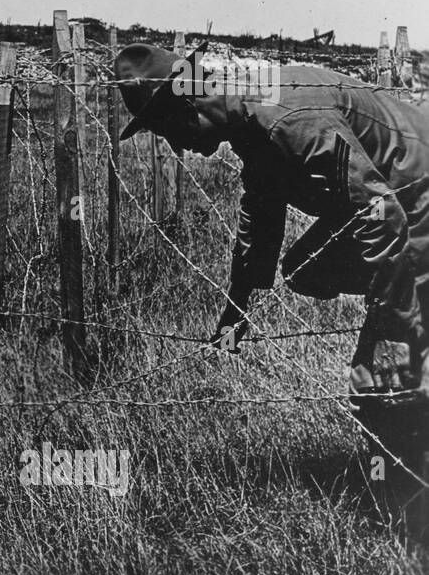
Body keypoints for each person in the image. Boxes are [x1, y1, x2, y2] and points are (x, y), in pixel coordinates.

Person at [114, 41, 429, 408]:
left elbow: (381, 215)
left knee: (381, 392)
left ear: (185, 106)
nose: (176, 146)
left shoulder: (284, 119)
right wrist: (236, 312)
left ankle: (412, 340)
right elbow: (261, 214)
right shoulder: (249, 111)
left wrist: (393, 331)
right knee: (306, 269)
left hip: (416, 196)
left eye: (166, 131)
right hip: (397, 196)